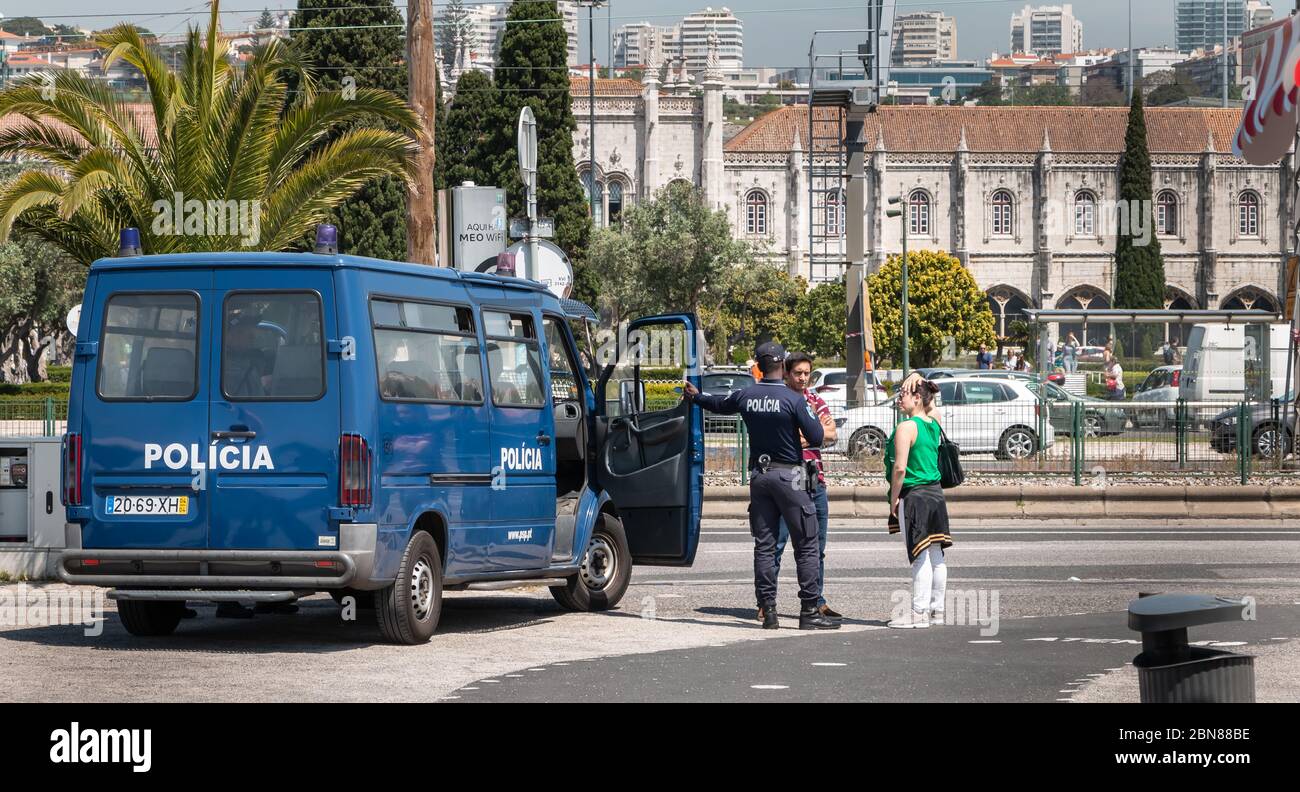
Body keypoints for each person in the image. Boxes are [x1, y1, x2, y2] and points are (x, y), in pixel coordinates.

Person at [684, 342, 839, 631]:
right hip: (790, 475)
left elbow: (719, 404)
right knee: (806, 544)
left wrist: (696, 397)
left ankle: (768, 611)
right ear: (782, 365)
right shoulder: (792, 399)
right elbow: (817, 436)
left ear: (758, 365)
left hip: (759, 475)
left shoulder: (746, 394)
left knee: (765, 546)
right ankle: (809, 611)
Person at [773, 352, 840, 620]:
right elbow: (807, 436)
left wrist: (807, 435)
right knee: (776, 544)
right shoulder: (781, 401)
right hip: (787, 477)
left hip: (814, 478)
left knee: (816, 546)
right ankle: (767, 602)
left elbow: (832, 433)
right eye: (798, 373)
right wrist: (812, 434)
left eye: (806, 373)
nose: (803, 378)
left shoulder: (815, 400)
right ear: (787, 373)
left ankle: (816, 599)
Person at [883, 377, 952, 628]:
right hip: (935, 494)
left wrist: (893, 499)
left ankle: (919, 612)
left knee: (919, 555)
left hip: (915, 495)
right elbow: (933, 406)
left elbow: (900, 468)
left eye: (903, 393)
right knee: (936, 554)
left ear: (917, 398)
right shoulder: (933, 422)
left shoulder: (906, 427)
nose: (899, 397)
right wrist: (918, 377)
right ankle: (937, 610)